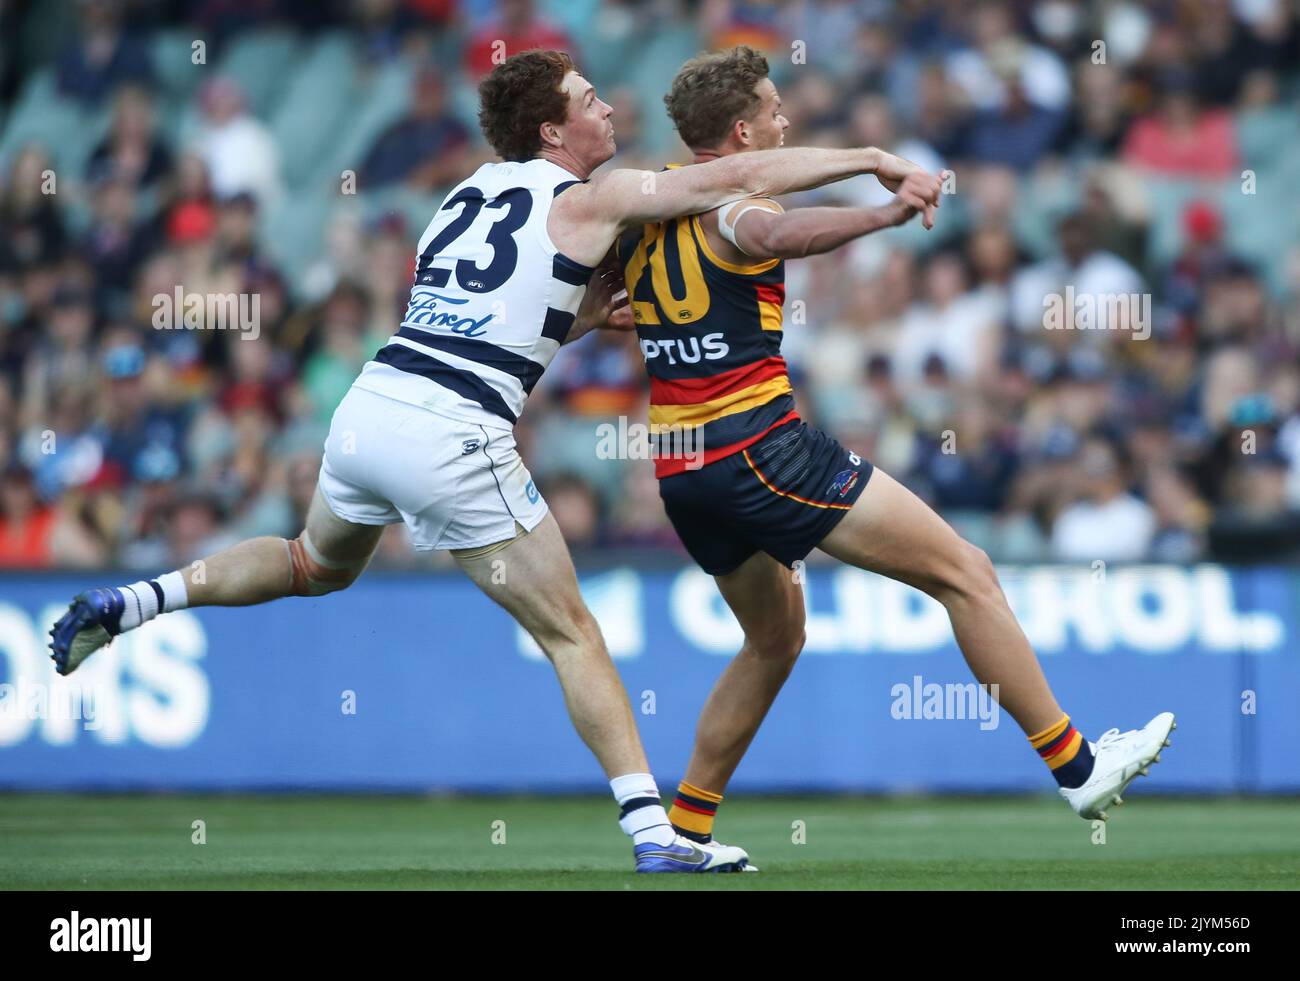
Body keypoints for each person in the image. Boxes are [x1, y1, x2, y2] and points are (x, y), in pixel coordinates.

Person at [49, 49, 928, 874]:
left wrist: (585, 320)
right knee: (571, 632)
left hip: (369, 409)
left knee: (309, 562)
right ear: (552, 133)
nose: (607, 105)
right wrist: (871, 157)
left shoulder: (465, 196)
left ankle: (138, 598)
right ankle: (657, 833)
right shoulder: (594, 195)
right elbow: (737, 177)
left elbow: (488, 307)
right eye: (588, 100)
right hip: (454, 431)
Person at [615, 47, 1174, 853]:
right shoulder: (733, 205)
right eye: (774, 110)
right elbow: (781, 230)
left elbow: (616, 299)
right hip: (762, 448)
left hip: (682, 469)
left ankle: (685, 830)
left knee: (775, 638)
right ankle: (1079, 765)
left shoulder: (644, 209)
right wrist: (883, 214)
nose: (785, 120)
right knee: (965, 572)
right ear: (743, 131)